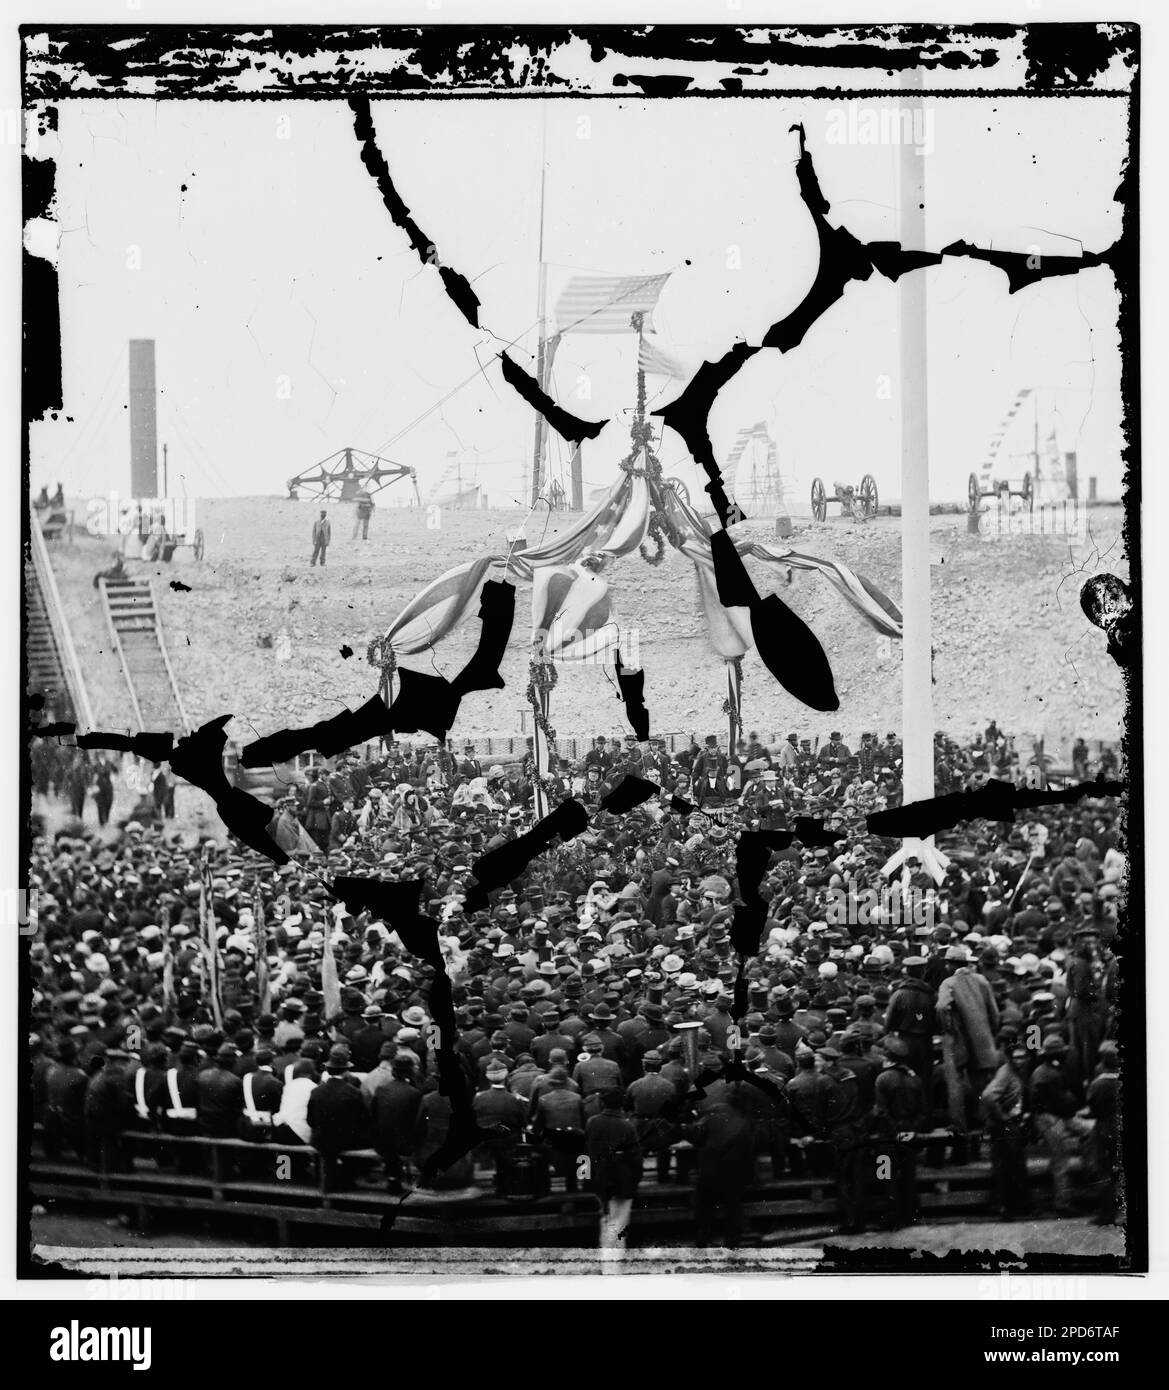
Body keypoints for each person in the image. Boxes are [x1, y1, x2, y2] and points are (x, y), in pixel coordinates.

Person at [872, 1036, 926, 1230]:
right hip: (909, 1136)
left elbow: (881, 1111)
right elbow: (922, 1111)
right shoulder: (915, 1078)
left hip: (887, 1138)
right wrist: (911, 1131)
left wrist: (895, 1132)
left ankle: (891, 1217)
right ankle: (911, 1214)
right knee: (909, 1176)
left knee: (886, 1176)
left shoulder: (882, 1078)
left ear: (888, 1054)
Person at [584, 1087, 641, 1253]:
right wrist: (635, 1180)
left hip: (599, 1179)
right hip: (622, 1180)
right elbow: (636, 1158)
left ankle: (607, 1257)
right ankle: (613, 1261)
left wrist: (586, 1179)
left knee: (606, 1218)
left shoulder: (592, 1122)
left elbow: (586, 1152)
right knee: (619, 1221)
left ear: (602, 1103)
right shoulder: (627, 1126)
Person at [1027, 1035, 1079, 1214]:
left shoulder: (1040, 1070)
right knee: (1061, 1161)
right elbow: (1063, 1104)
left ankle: (1053, 1197)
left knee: (1057, 1159)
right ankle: (1062, 1203)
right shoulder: (1052, 1074)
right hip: (1050, 1119)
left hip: (1044, 1119)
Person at [980, 1044, 1031, 1219]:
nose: (1020, 1060)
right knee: (1005, 1167)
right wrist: (1002, 1116)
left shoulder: (1017, 1072)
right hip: (1004, 1126)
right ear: (1010, 1058)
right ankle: (1004, 1208)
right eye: (1016, 1057)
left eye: (1023, 1056)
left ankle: (1015, 1206)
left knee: (1014, 1165)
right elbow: (988, 1096)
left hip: (1011, 1123)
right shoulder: (1006, 1072)